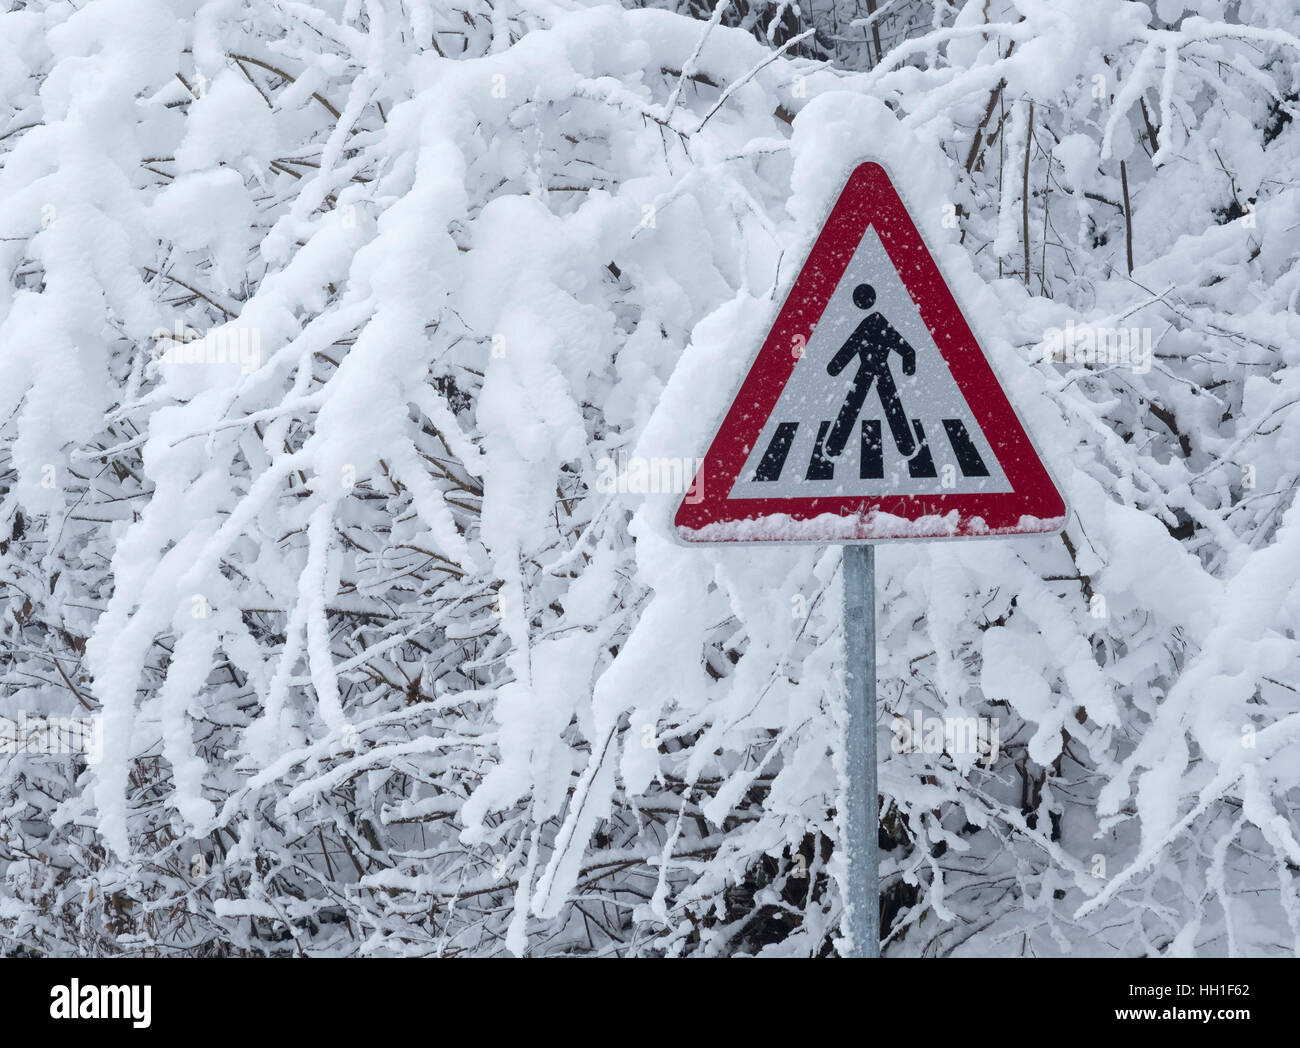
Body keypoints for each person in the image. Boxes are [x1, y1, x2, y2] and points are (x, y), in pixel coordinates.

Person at [825, 283, 916, 459]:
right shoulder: (877, 324)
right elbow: (906, 349)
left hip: (871, 369)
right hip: (876, 369)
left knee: (853, 406)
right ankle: (906, 446)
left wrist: (835, 367)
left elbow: (851, 347)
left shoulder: (871, 324)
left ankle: (834, 447)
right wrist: (908, 367)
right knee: (890, 406)